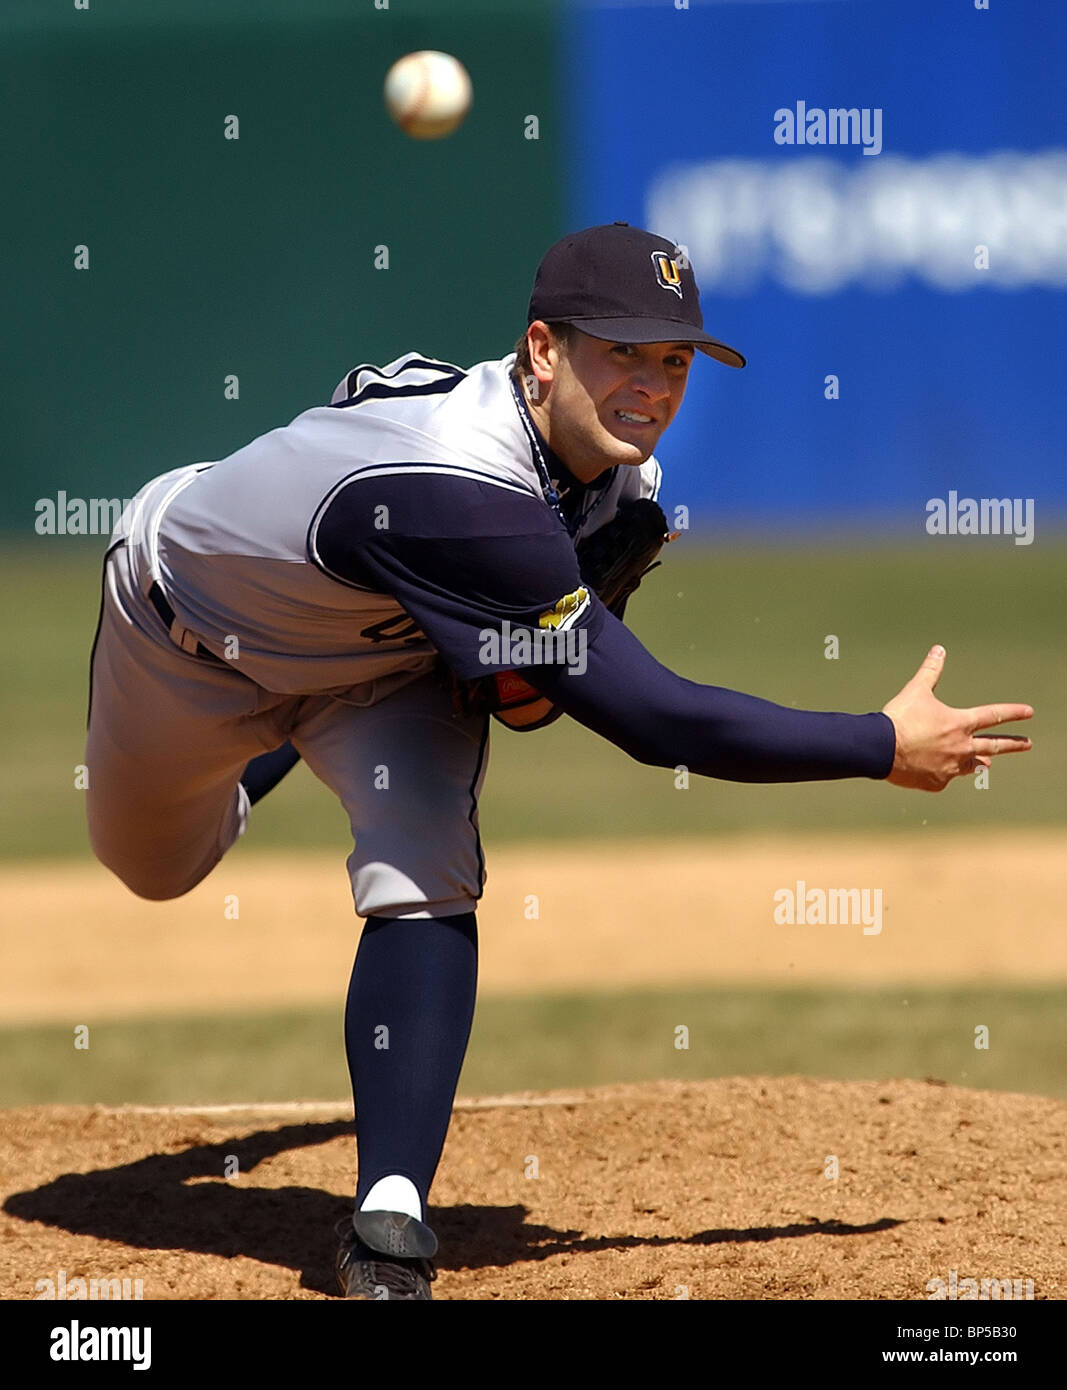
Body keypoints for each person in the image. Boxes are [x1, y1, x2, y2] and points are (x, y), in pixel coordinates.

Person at [84, 222, 1033, 1300]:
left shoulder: (612, 489)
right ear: (540, 349)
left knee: (430, 865)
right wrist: (874, 743)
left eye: (672, 359)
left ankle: (387, 1222)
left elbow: (523, 702)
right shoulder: (465, 482)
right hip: (185, 639)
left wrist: (557, 626)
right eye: (621, 352)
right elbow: (653, 722)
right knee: (159, 867)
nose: (652, 383)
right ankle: (262, 758)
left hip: (380, 667)